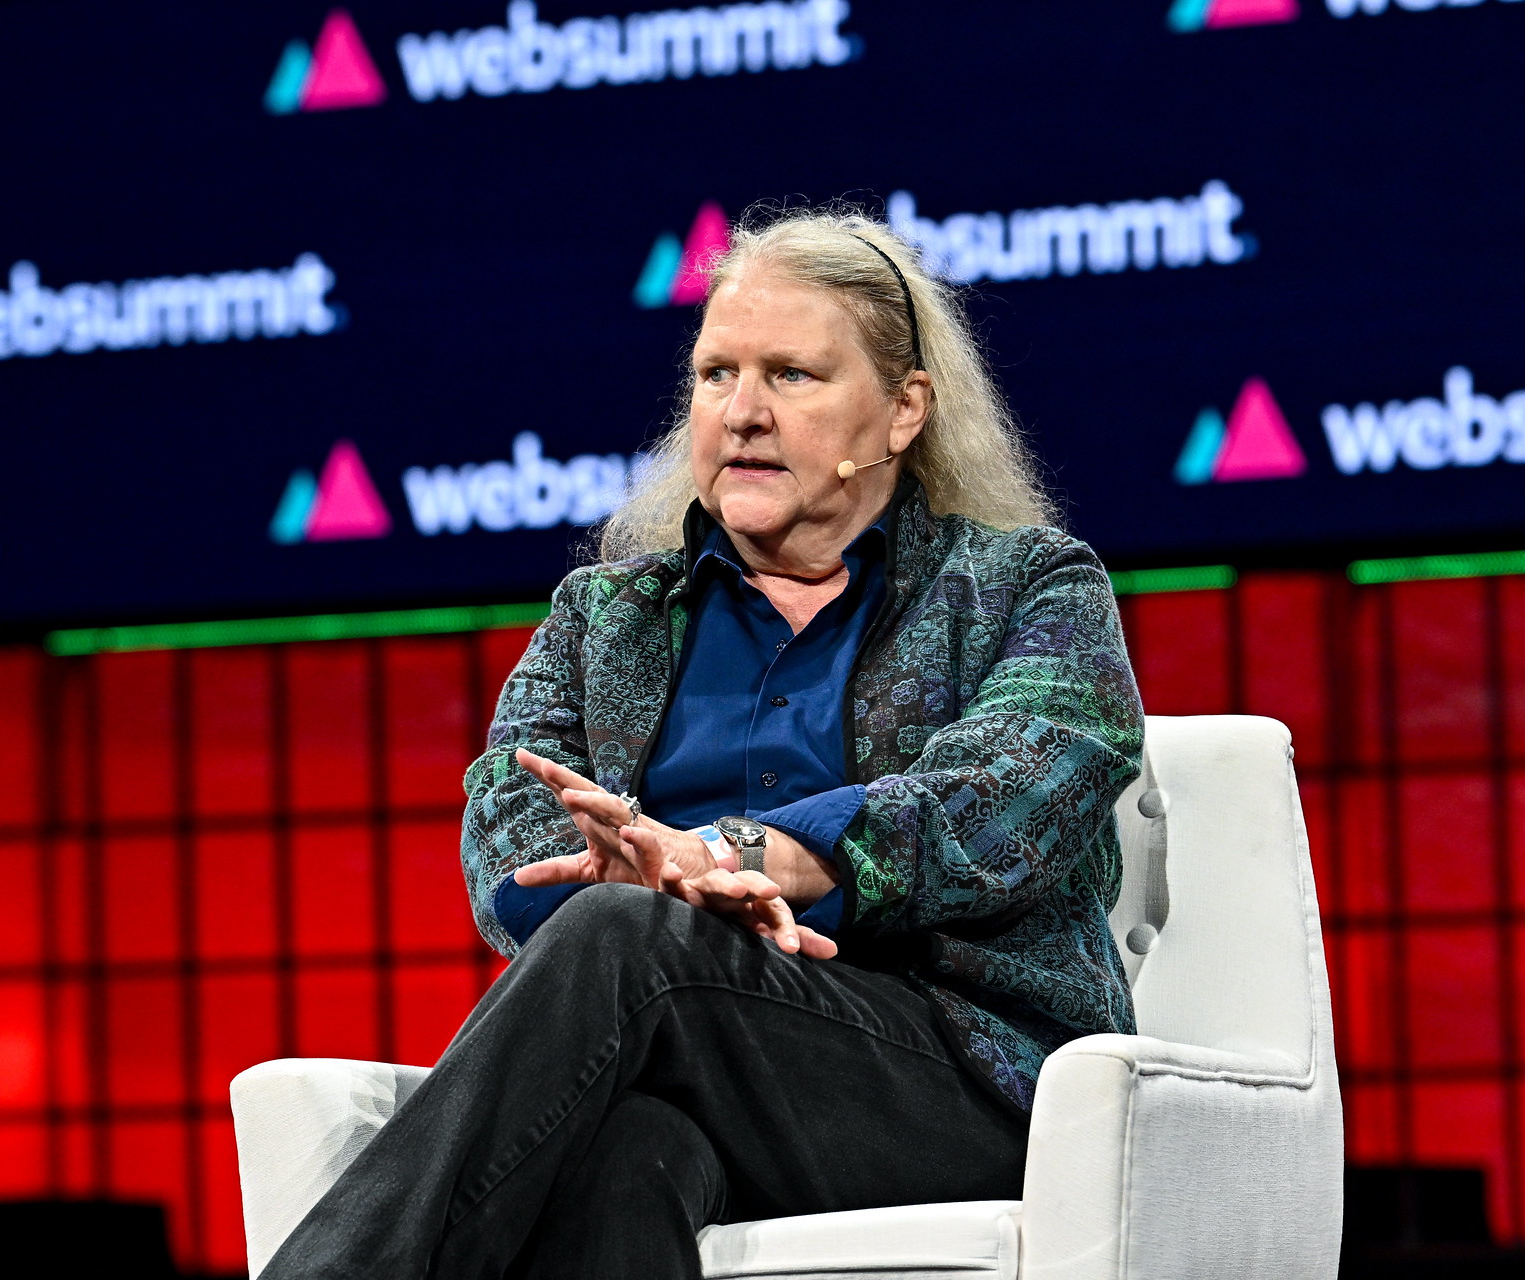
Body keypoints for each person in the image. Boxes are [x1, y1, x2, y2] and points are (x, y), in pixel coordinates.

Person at [261, 206, 1144, 1280]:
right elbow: (508, 803)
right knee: (628, 1149)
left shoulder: (1029, 587)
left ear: (903, 409)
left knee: (622, 939)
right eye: (715, 373)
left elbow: (1010, 792)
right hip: (693, 1055)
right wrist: (624, 871)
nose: (742, 413)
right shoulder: (607, 615)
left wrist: (729, 857)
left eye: (792, 376)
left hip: (952, 1078)